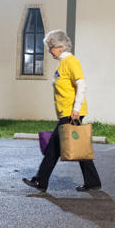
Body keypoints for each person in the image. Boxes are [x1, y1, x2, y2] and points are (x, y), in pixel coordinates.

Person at [22, 30, 101, 193]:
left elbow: (82, 84)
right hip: (67, 112)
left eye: (50, 47)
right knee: (74, 146)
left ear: (59, 46)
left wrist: (76, 109)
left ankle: (40, 181)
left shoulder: (71, 61)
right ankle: (92, 181)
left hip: (72, 112)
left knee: (53, 149)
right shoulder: (63, 63)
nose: (49, 50)